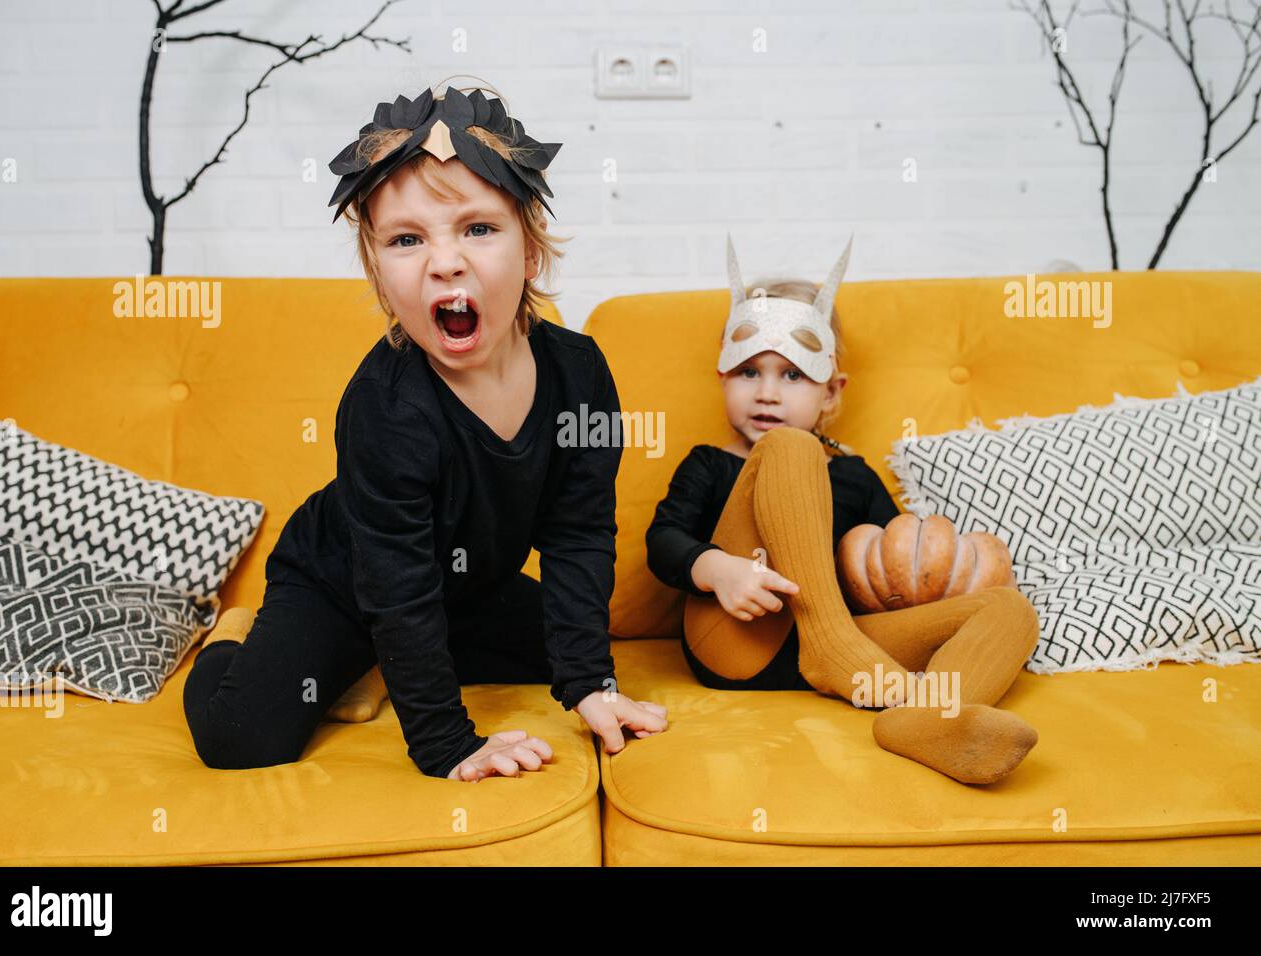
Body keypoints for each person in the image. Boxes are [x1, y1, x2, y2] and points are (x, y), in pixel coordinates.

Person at [184, 82, 667, 783]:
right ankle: (235, 644)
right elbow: (397, 591)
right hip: (350, 582)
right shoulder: (384, 407)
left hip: (465, 587)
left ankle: (390, 664)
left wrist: (591, 683)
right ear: (381, 275)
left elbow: (578, 533)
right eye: (408, 240)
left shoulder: (580, 374)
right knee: (241, 739)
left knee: (566, 649)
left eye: (477, 228)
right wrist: (448, 745)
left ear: (530, 251)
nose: (444, 261)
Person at [645, 235, 1039, 785]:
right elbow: (663, 541)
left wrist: (930, 583)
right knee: (787, 447)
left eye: (792, 375)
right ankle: (830, 648)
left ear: (831, 392)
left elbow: (889, 562)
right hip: (738, 644)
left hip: (852, 659)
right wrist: (720, 570)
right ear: (722, 377)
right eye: (748, 372)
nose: (767, 394)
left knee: (1010, 610)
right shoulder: (712, 463)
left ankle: (922, 723)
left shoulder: (853, 474)